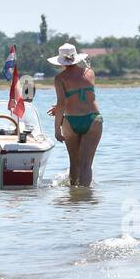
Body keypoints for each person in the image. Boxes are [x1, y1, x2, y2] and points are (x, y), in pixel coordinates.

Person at [46, 43, 103, 187]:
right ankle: (84, 196)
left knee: (74, 163)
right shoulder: (90, 72)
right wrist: (61, 106)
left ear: (61, 61)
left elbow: (62, 103)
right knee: (86, 165)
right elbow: (82, 95)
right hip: (93, 119)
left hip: (71, 121)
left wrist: (57, 129)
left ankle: (73, 197)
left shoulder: (60, 78)